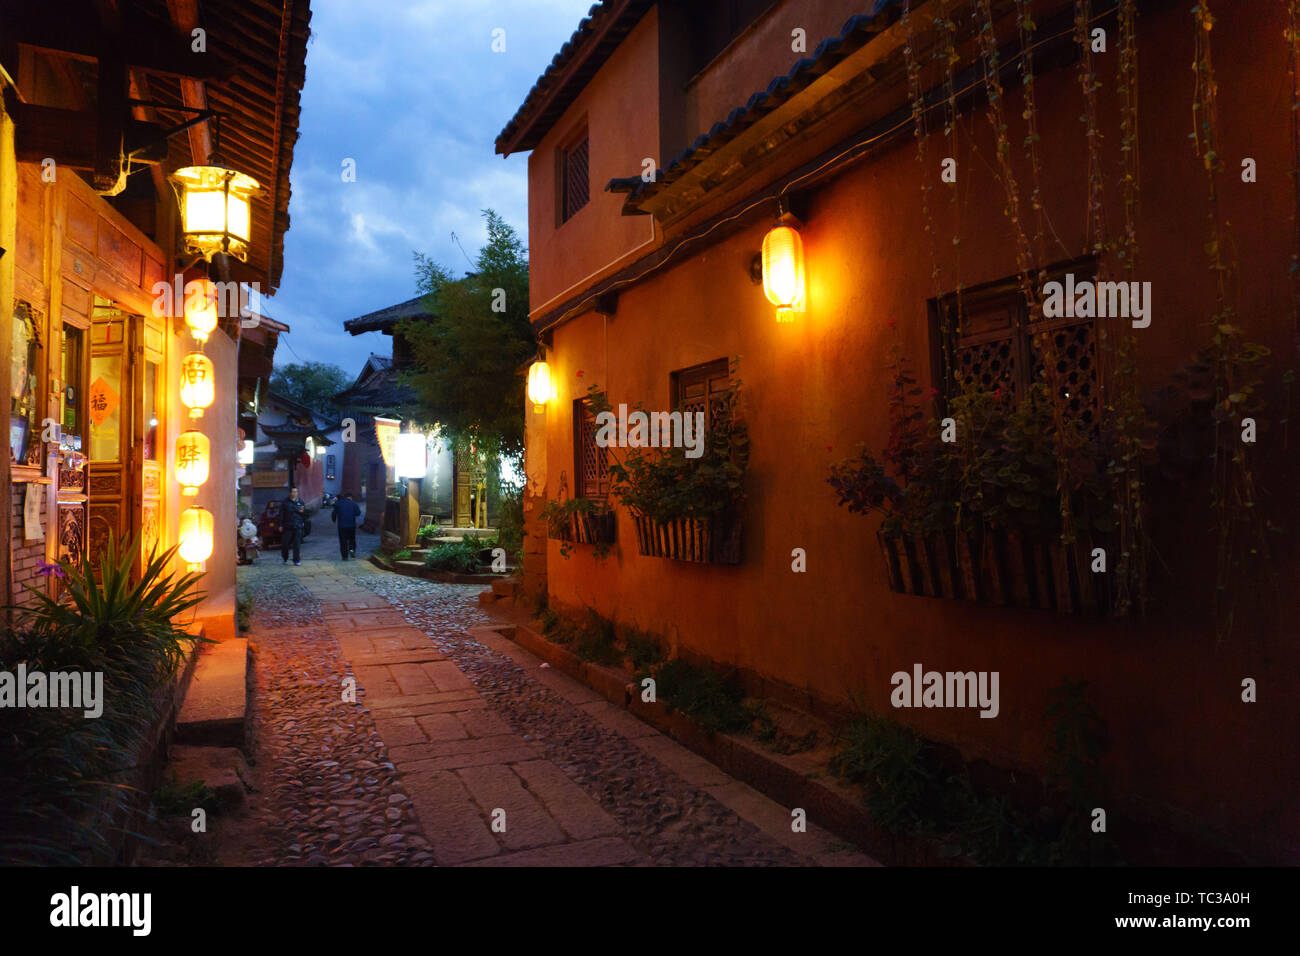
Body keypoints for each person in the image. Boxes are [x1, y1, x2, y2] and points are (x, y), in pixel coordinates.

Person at [280, 487, 307, 565]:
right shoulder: (285, 502)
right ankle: (285, 557)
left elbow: (305, 514)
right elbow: (281, 514)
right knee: (285, 544)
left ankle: (296, 560)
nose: (295, 493)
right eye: (293, 492)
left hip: (297, 526)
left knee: (297, 544)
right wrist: (280, 525)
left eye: (296, 492)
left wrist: (302, 514)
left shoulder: (300, 502)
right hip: (287, 526)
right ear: (290, 493)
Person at [331, 492, 361, 560]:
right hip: (351, 525)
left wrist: (334, 520)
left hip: (342, 525)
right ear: (350, 497)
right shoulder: (353, 503)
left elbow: (334, 513)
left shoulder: (339, 503)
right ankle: (352, 550)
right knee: (352, 538)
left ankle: (344, 556)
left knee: (343, 540)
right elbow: (358, 513)